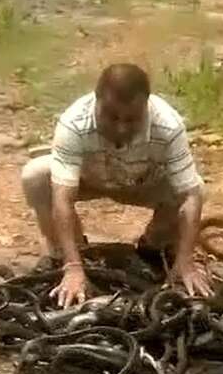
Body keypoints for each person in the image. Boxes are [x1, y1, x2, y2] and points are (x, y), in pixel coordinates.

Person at [21, 63, 212, 306]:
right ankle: (72, 255)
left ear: (146, 106)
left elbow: (190, 197)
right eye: (111, 116)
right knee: (35, 177)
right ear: (96, 101)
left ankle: (154, 247)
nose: (121, 127)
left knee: (197, 188)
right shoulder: (73, 122)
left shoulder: (168, 125)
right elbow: (62, 198)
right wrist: (73, 266)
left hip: (143, 182)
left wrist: (185, 260)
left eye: (132, 119)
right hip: (90, 180)